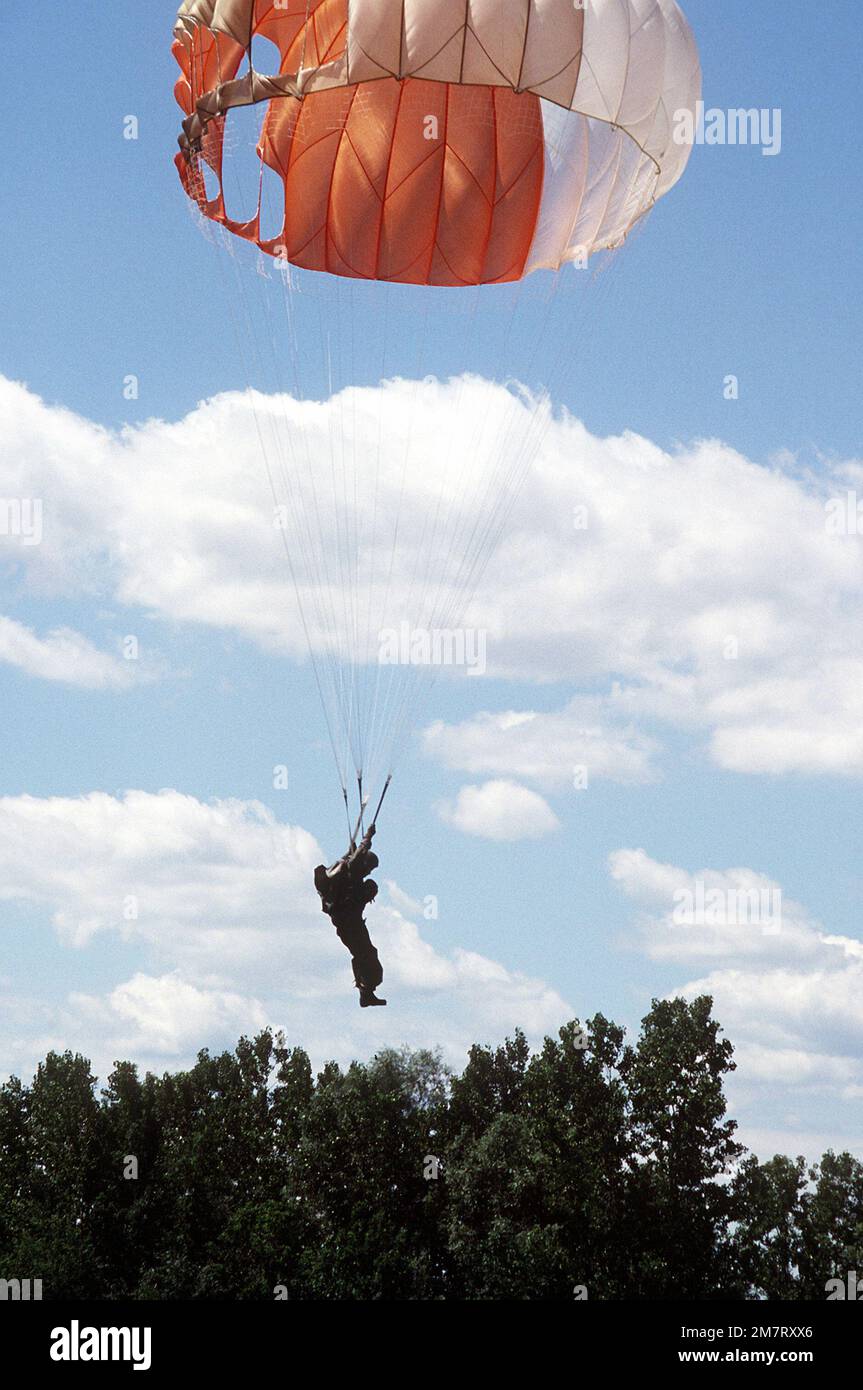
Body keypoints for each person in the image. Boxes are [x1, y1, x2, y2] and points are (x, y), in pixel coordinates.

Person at [314, 824, 387, 1007]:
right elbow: (359, 855)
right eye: (369, 870)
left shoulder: (348, 875)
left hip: (348, 925)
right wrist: (368, 837)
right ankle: (366, 993)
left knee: (365, 955)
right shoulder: (352, 874)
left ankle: (366, 993)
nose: (369, 873)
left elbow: (356, 856)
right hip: (350, 926)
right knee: (368, 959)